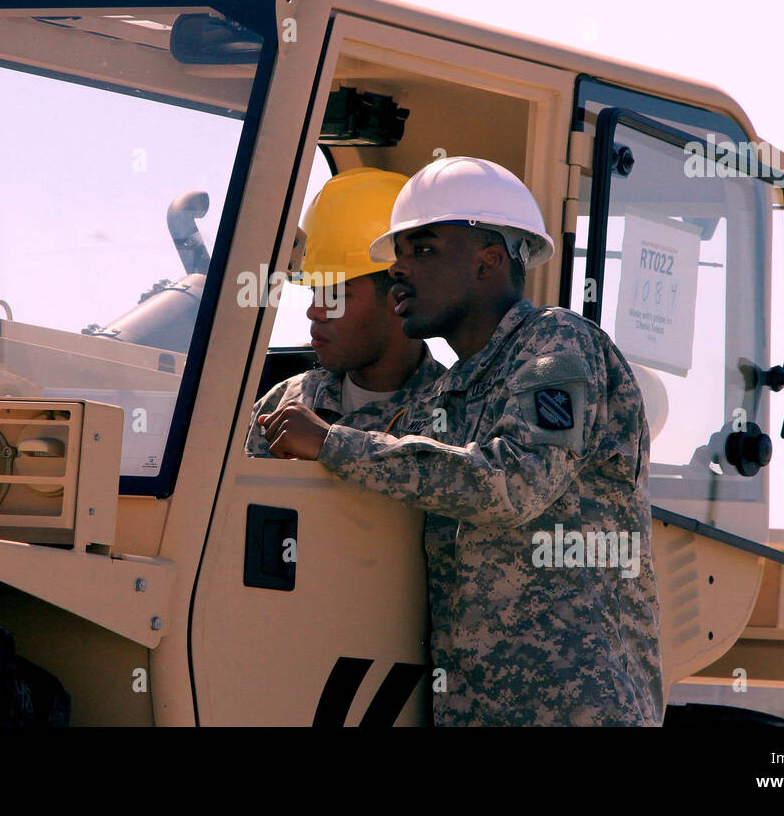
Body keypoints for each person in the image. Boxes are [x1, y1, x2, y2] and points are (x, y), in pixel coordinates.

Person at [259, 156, 664, 726]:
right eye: (396, 255)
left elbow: (511, 483)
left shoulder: (558, 347)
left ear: (488, 262)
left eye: (422, 251)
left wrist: (332, 443)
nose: (400, 271)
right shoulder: (444, 397)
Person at [247, 168, 445, 459]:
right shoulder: (282, 402)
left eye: (337, 294)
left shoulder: (455, 416)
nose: (315, 311)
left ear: (400, 295)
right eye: (315, 291)